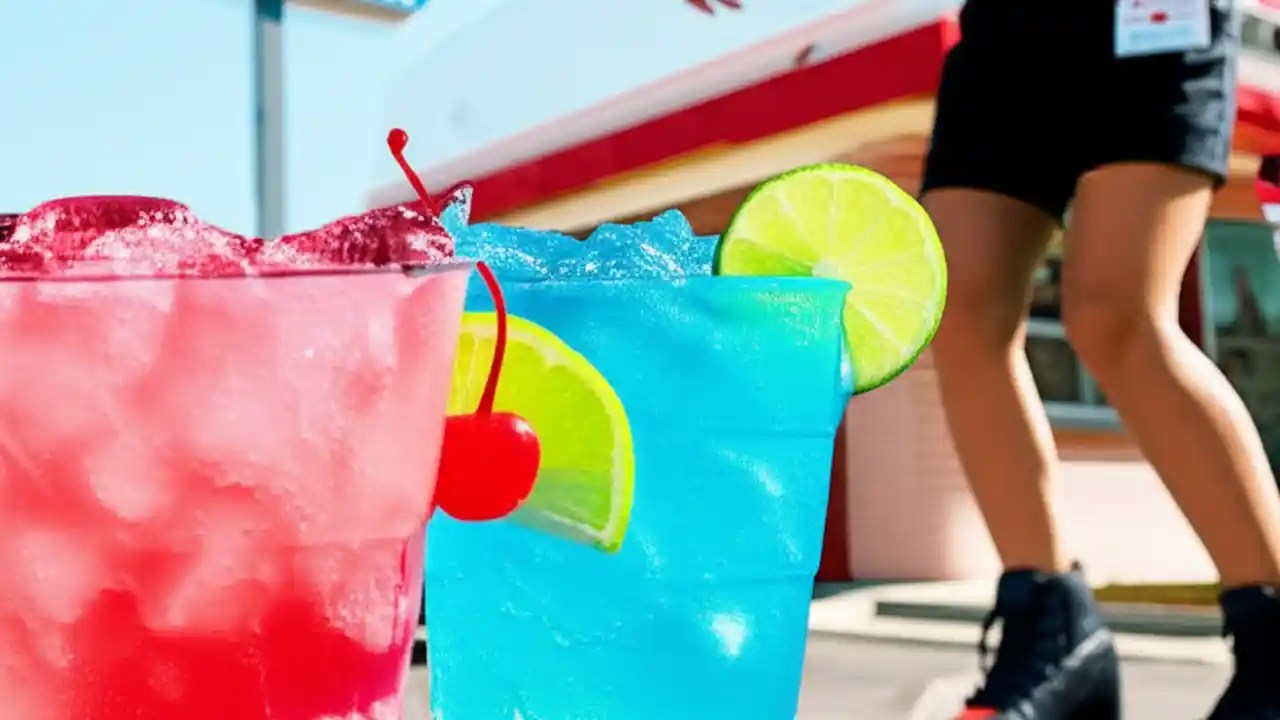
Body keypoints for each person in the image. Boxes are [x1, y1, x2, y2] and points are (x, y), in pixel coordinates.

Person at [919, 1, 1280, 718]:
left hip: (1153, 13)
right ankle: (1055, 629)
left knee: (1116, 317)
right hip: (1008, 33)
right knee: (958, 314)